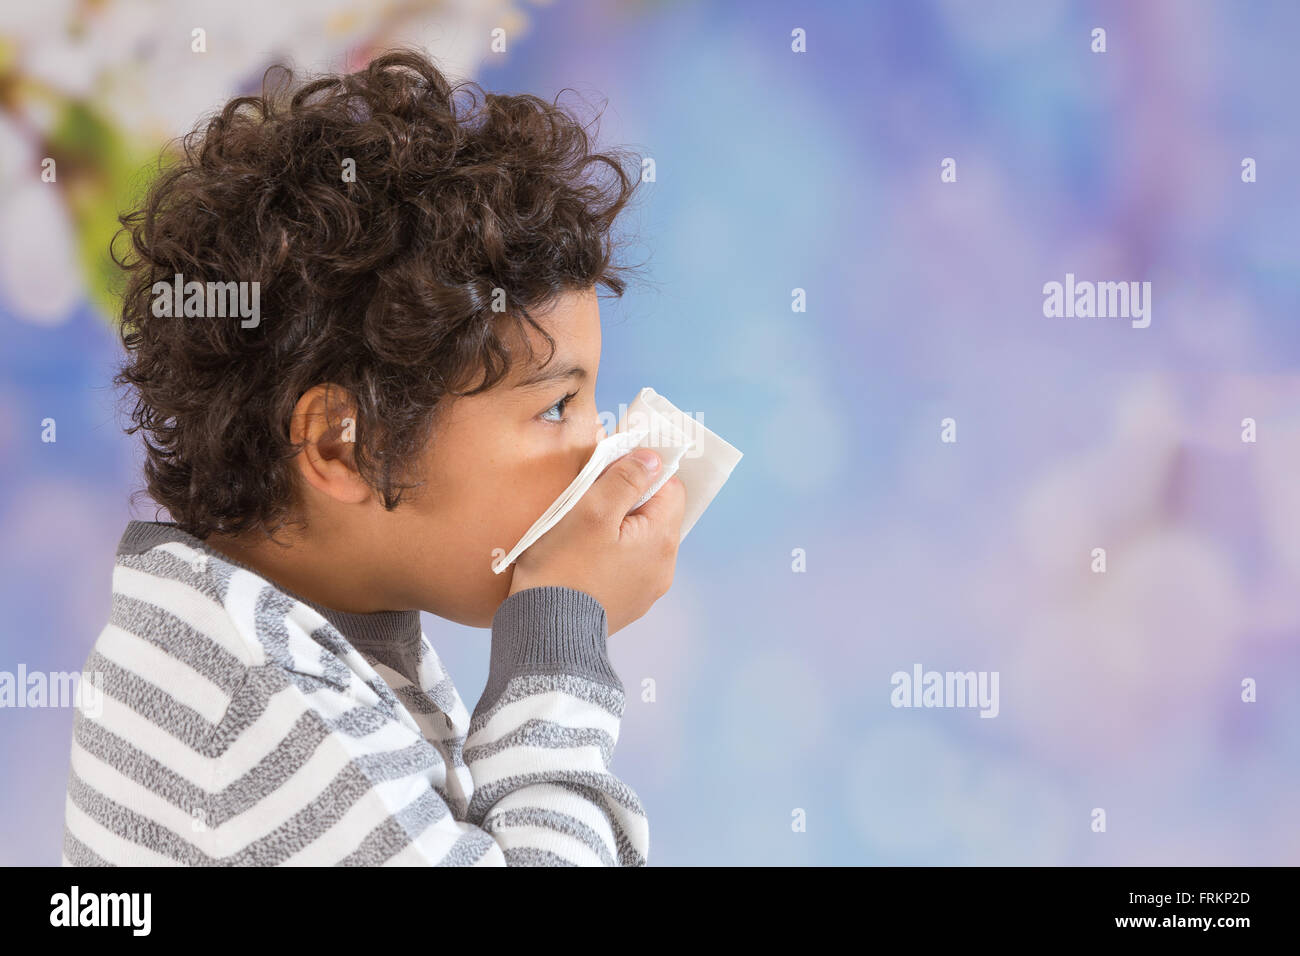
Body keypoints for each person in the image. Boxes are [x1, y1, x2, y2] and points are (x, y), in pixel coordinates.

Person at [61, 49, 684, 866]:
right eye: (556, 405)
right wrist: (560, 643)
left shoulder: (284, 644)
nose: (598, 448)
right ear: (339, 445)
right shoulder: (250, 700)